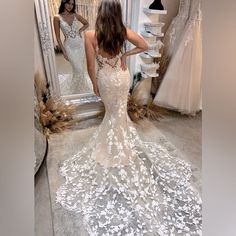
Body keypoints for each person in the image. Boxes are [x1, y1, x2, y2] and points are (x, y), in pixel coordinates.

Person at [56, 0, 202, 235]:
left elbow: (92, 67)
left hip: (106, 79)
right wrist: (126, 56)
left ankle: (114, 147)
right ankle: (121, 146)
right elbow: (144, 45)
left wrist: (95, 83)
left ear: (100, 14)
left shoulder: (91, 35)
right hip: (121, 78)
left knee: (114, 114)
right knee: (119, 113)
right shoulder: (123, 32)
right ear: (117, 14)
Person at [53, 0, 92, 94]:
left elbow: (87, 23)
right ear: (63, 3)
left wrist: (79, 31)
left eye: (72, 4)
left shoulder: (75, 15)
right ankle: (76, 89)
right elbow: (58, 37)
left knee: (80, 69)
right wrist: (64, 52)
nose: (70, 6)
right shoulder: (57, 18)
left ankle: (82, 88)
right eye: (68, 3)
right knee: (77, 68)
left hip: (80, 45)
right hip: (69, 47)